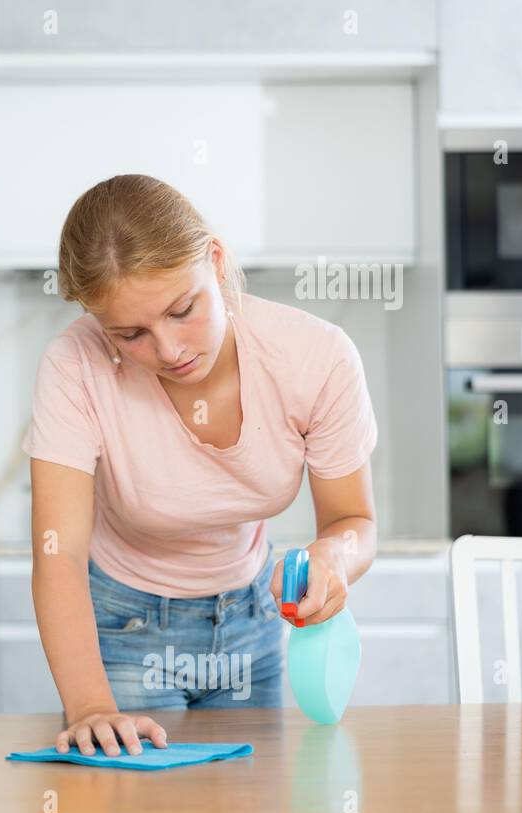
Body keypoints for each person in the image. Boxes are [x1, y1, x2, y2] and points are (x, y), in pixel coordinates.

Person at [23, 174, 378, 757]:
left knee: (248, 809)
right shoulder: (74, 367)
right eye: (130, 334)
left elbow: (354, 522)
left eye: (182, 310)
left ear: (215, 260)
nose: (168, 351)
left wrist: (333, 557)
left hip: (253, 618)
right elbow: (58, 553)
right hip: (122, 627)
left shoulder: (316, 358)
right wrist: (90, 707)